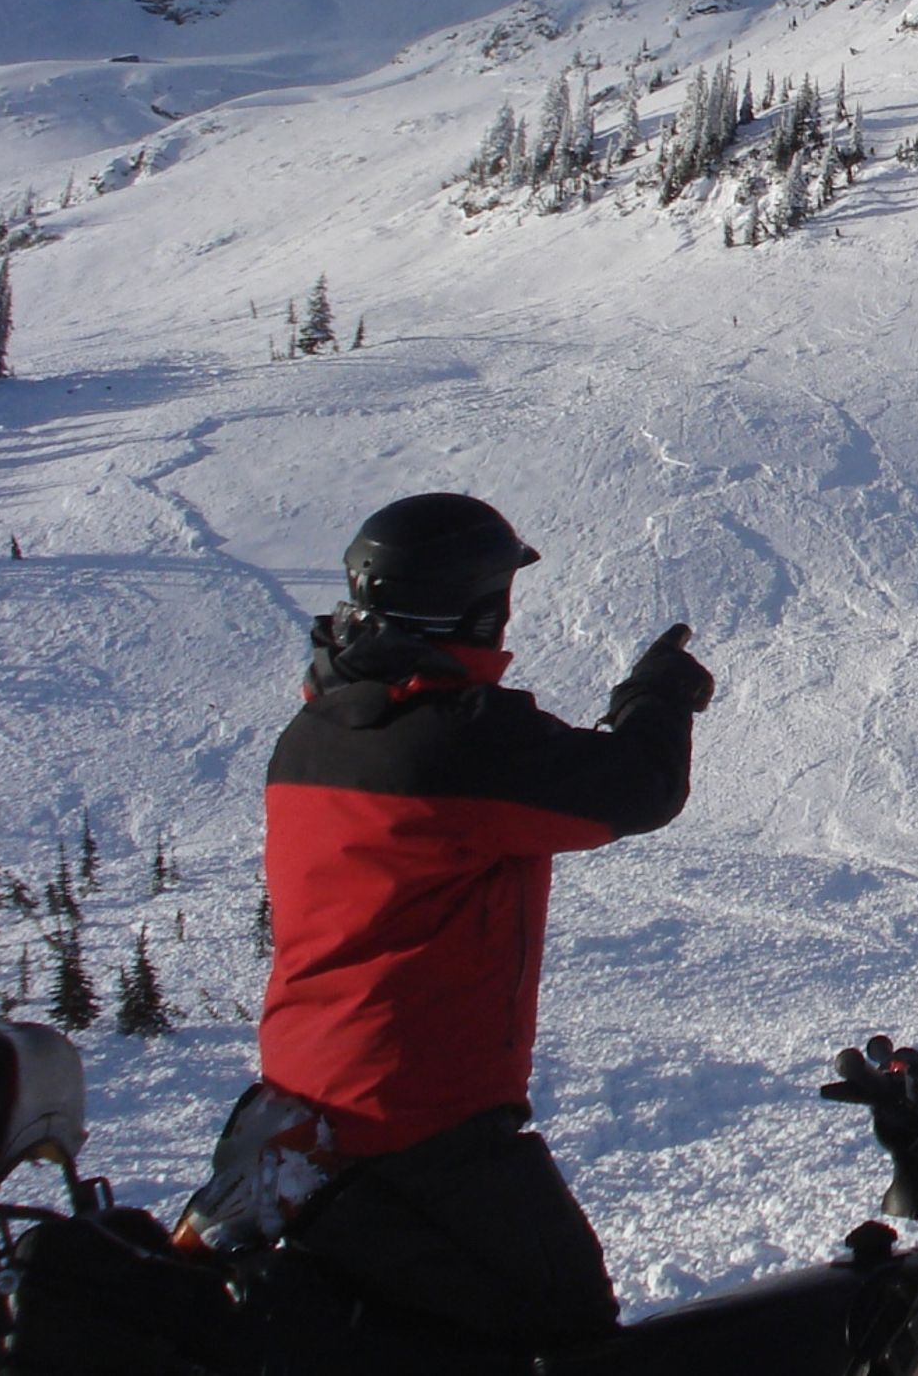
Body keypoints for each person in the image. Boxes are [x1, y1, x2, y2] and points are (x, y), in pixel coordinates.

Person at [212, 492, 712, 1352]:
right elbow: (637, 787)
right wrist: (657, 695)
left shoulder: (315, 729)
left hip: (308, 1105)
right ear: (475, 608)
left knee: (422, 1328)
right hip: (421, 1117)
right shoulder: (454, 742)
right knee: (569, 1327)